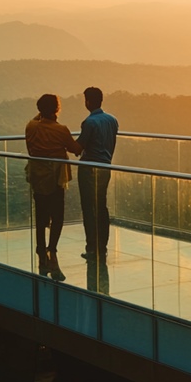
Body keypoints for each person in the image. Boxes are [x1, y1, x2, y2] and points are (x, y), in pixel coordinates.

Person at [24, 94, 82, 280]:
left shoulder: (31, 126)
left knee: (41, 215)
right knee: (57, 216)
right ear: (57, 109)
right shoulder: (61, 130)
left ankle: (41, 250)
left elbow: (35, 120)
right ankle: (52, 249)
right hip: (56, 179)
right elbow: (75, 149)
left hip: (37, 177)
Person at [76, 86, 118, 260]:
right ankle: (103, 247)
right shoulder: (112, 120)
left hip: (89, 169)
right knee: (101, 206)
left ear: (87, 101)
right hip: (105, 167)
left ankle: (91, 248)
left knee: (88, 208)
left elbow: (78, 148)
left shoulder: (89, 123)